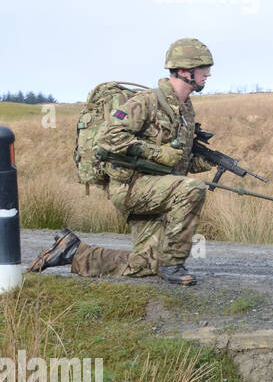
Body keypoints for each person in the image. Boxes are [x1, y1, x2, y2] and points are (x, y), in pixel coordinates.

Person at [27, 38, 217, 284]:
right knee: (193, 189)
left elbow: (174, 161)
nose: (208, 74)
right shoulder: (146, 102)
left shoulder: (185, 109)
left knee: (146, 265)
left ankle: (73, 252)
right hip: (131, 187)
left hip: (157, 188)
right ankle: (174, 265)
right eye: (203, 67)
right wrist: (158, 154)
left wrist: (199, 162)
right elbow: (108, 139)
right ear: (184, 71)